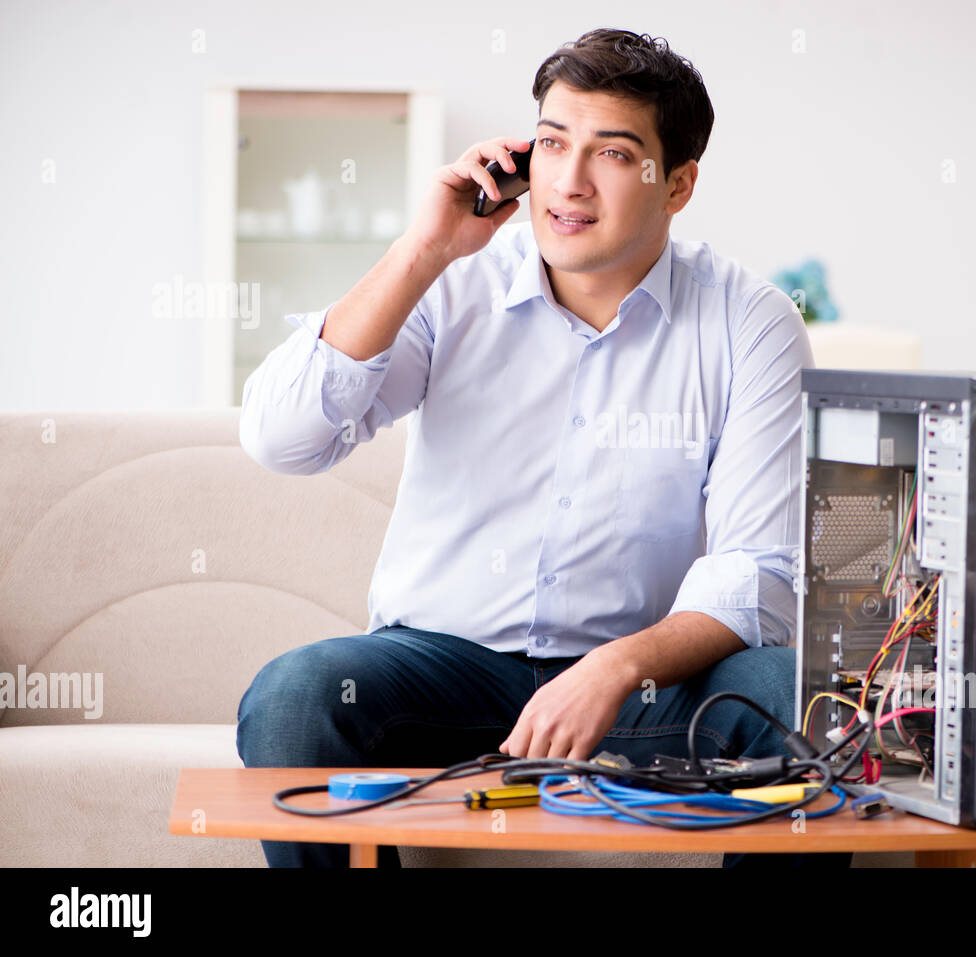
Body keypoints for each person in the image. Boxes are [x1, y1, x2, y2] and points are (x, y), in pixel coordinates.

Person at [236, 27, 845, 869]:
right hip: (443, 668)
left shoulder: (752, 322)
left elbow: (758, 571)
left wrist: (616, 667)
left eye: (612, 152)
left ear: (677, 184)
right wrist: (423, 250)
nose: (568, 181)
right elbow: (281, 438)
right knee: (295, 697)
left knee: (797, 700)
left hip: (643, 688)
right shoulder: (453, 280)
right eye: (553, 143)